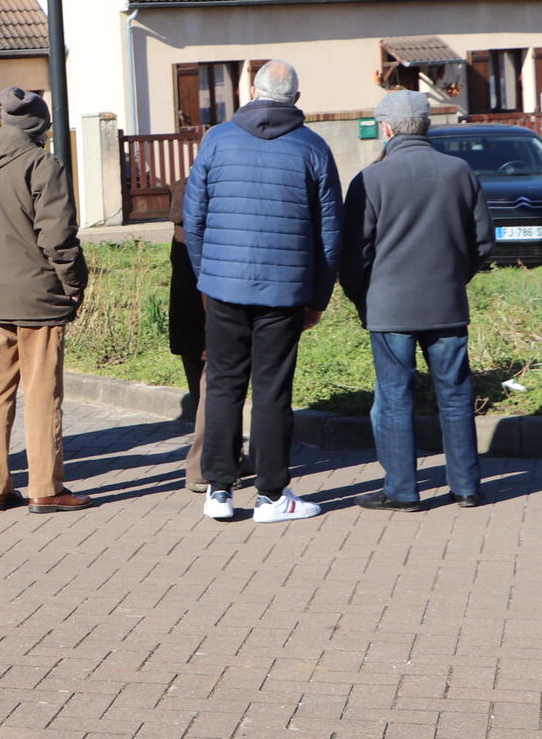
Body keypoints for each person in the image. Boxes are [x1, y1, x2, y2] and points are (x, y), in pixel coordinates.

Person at [184, 60, 342, 524]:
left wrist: (207, 277)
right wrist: (318, 297)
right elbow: (329, 232)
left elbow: (195, 217)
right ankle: (272, 497)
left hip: (224, 287)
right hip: (286, 289)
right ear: (295, 97)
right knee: (272, 390)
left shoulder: (216, 139)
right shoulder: (313, 147)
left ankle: (218, 490)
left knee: (224, 383)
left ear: (251, 91)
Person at [340, 90, 495, 510]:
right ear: (427, 125)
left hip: (388, 307)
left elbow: (353, 255)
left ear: (386, 130)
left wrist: (364, 299)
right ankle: (466, 487)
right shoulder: (459, 171)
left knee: (393, 398)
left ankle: (402, 491)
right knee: (456, 395)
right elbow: (482, 242)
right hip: (446, 302)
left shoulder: (370, 179)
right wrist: (453, 278)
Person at [0, 88, 96, 514]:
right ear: (38, 127)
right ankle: (45, 488)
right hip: (39, 299)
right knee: (42, 393)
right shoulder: (41, 165)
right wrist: (73, 283)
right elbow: (58, 238)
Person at [169, 178, 252, 494]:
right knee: (216, 393)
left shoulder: (182, 203)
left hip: (187, 320)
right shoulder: (214, 207)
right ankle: (202, 468)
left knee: (207, 392)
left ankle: (230, 456)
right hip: (210, 319)